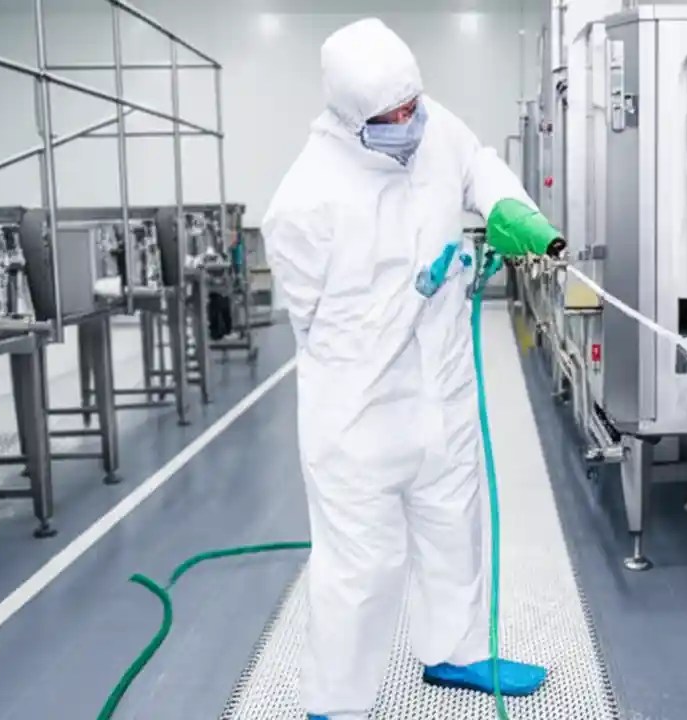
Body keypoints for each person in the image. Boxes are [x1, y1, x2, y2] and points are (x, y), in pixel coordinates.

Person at [262, 18, 562, 720]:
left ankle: (455, 650)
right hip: (361, 407)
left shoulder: (432, 126)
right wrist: (407, 300)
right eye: (390, 118)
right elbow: (312, 323)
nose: (408, 124)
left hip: (444, 384)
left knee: (455, 524)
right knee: (362, 566)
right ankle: (337, 703)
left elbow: (476, 162)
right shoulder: (304, 202)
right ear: (350, 119)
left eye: (412, 107)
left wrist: (507, 204)